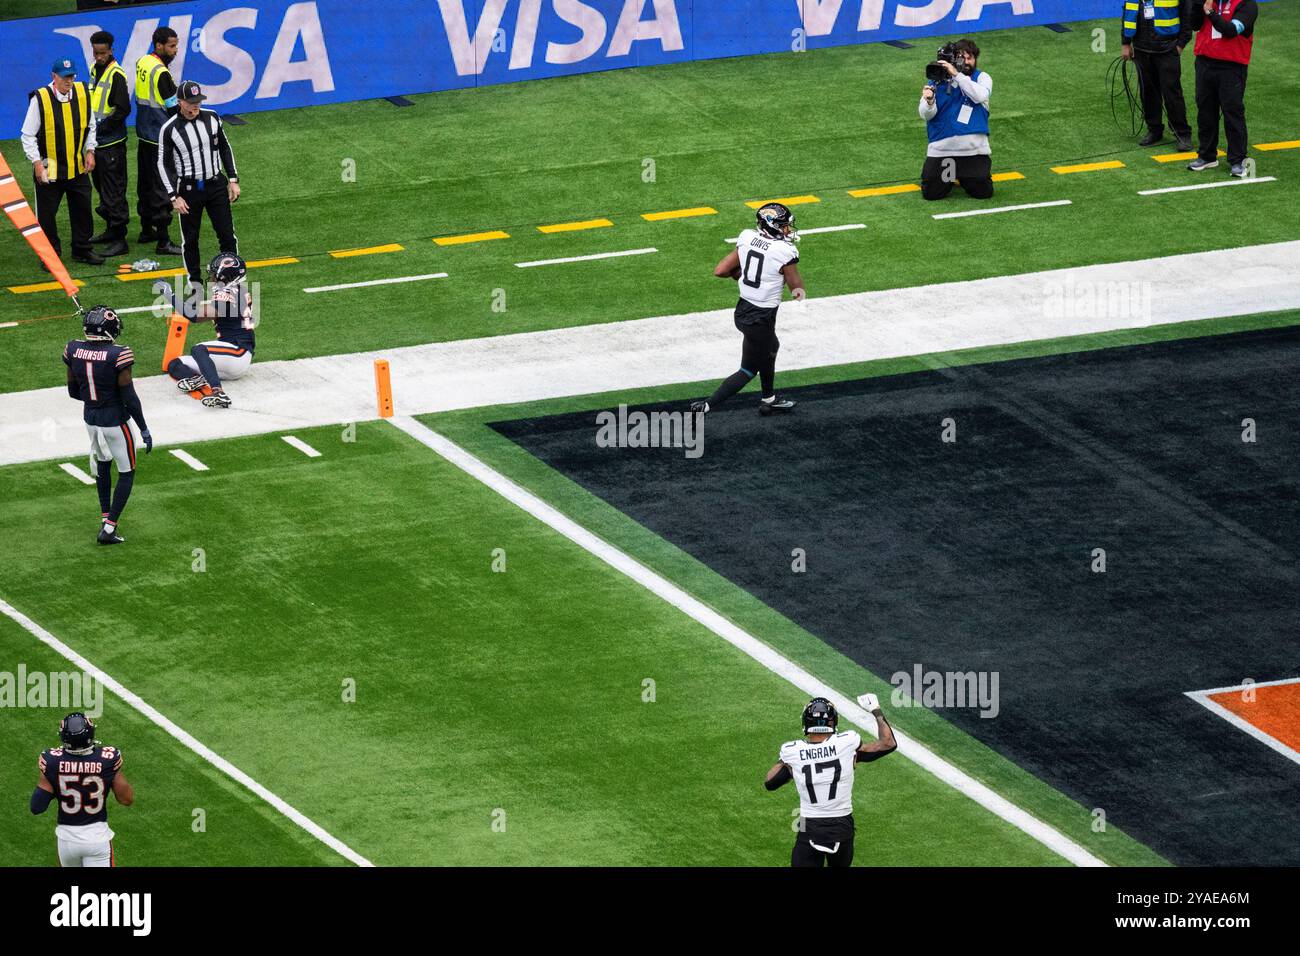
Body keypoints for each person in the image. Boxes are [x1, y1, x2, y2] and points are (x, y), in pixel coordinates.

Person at [690, 203, 804, 416]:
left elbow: (721, 270)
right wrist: (796, 290)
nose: (788, 230)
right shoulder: (785, 251)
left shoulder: (746, 237)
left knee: (771, 347)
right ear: (773, 227)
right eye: (784, 226)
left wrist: (742, 275)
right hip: (761, 318)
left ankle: (768, 399)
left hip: (743, 310)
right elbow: (797, 291)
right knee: (748, 369)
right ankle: (706, 406)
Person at [765, 696, 897, 868]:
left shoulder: (793, 751)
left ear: (806, 722)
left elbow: (770, 782)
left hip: (810, 825)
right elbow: (888, 743)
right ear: (833, 722)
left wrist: (788, 766)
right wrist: (876, 710)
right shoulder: (847, 743)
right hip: (842, 826)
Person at [64, 305, 152, 544]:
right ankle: (110, 529)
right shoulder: (119, 354)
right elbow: (130, 397)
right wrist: (143, 427)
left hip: (90, 419)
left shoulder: (72, 349)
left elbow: (73, 391)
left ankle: (106, 518)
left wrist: (96, 399)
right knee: (127, 471)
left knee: (103, 465)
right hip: (114, 420)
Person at [20, 57, 104, 266]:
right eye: (65, 77)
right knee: (47, 215)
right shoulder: (40, 98)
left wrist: (91, 150)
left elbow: (91, 125)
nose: (69, 81)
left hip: (77, 165)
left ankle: (82, 249)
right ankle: (50, 255)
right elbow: (27, 135)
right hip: (50, 167)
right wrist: (37, 163)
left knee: (83, 210)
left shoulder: (83, 93)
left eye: (72, 76)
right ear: (54, 77)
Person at [158, 81, 241, 289]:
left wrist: (232, 179)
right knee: (191, 240)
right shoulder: (169, 129)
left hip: (215, 184)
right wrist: (173, 196)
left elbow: (224, 147)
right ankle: (195, 284)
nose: (195, 106)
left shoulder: (212, 118)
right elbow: (162, 163)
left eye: (198, 101)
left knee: (226, 234)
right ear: (180, 102)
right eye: (191, 102)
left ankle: (232, 279)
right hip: (188, 190)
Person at [32, 713, 133, 867]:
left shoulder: (52, 761)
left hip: (66, 840)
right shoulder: (107, 759)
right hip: (97, 839)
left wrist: (53, 779)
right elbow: (126, 799)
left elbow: (37, 807)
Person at [166, 252, 255, 409]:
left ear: (224, 275)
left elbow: (194, 316)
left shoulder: (229, 293)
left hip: (238, 352)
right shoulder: (236, 290)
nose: (212, 278)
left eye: (214, 274)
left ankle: (218, 392)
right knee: (175, 364)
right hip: (228, 357)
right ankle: (201, 378)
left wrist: (169, 295)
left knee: (199, 349)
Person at [1188, 0, 1258, 176]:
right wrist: (1197, 5)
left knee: (1232, 113)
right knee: (1205, 111)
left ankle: (1238, 160)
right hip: (1205, 63)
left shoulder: (1247, 4)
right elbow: (1194, 24)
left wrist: (1210, 13)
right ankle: (1207, 156)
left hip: (1231, 67)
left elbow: (1231, 31)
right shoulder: (1208, 2)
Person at [918, 39, 993, 201]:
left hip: (973, 151)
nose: (966, 62)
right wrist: (930, 101)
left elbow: (980, 96)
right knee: (932, 194)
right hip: (944, 151)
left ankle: (963, 176)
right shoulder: (936, 81)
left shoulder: (982, 78)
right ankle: (952, 177)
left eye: (970, 58)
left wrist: (957, 75)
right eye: (961, 58)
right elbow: (925, 114)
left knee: (983, 193)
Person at [1121, 0, 1194, 150]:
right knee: (1147, 92)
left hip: (1167, 49)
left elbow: (1187, 14)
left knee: (1172, 93)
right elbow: (1128, 11)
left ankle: (1182, 133)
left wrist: (1181, 44)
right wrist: (1126, 43)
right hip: (1141, 48)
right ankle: (1154, 129)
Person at [134, 27, 181, 255]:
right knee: (163, 187)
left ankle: (146, 229)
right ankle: (163, 240)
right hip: (159, 136)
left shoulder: (142, 62)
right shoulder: (162, 73)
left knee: (144, 185)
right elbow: (174, 108)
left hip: (143, 132)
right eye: (172, 46)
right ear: (159, 45)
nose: (175, 51)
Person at [88, 30, 132, 258]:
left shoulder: (116, 74)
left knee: (114, 191)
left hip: (111, 143)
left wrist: (101, 127)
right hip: (99, 143)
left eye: (102, 53)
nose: (99, 57)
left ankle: (120, 239)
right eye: (96, 53)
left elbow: (123, 109)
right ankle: (110, 230)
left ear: (111, 51)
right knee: (103, 189)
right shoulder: (96, 69)